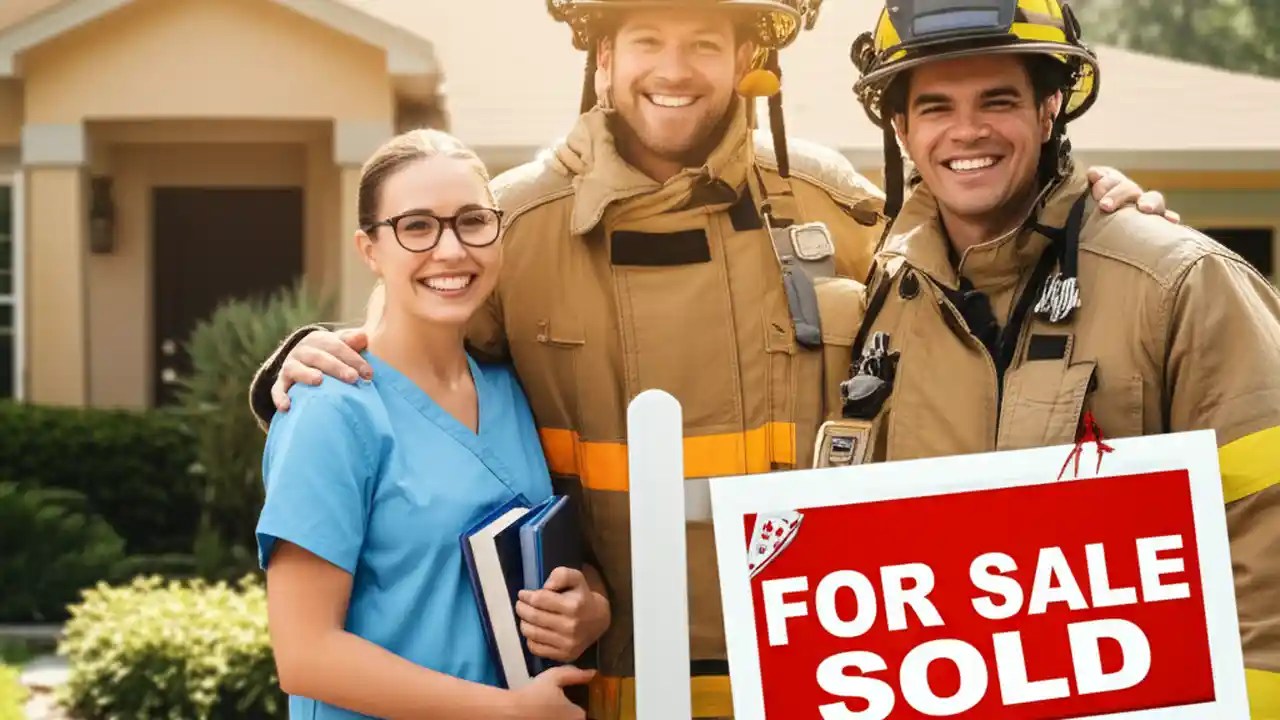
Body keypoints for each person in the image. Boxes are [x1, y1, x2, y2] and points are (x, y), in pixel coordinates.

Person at [247, 2, 1172, 717]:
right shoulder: (515, 223)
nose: (675, 70)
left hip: (822, 679)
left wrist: (1082, 202)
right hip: (601, 688)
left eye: (706, 40)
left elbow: (978, 265)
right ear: (603, 59)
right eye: (646, 38)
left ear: (748, 61)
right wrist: (315, 352)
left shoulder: (831, 206)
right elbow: (422, 325)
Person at [828, 0, 1280, 713]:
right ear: (901, 129)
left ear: (1049, 109)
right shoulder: (881, 302)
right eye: (936, 106)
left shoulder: (1178, 283)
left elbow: (1267, 540)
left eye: (998, 100)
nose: (966, 131)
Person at [255, 128, 609, 720]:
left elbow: (558, 546)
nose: (451, 250)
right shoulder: (330, 408)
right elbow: (305, 654)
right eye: (416, 226)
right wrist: (505, 713)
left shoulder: (513, 389)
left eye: (473, 220)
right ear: (369, 249)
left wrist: (590, 605)